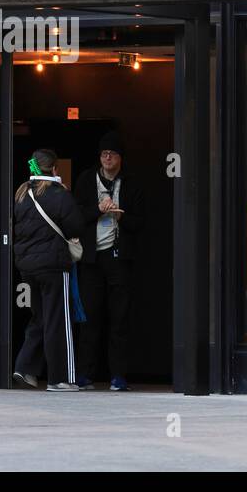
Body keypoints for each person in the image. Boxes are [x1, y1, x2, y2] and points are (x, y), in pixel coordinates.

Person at [11, 148, 86, 392]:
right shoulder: (58, 195)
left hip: (27, 267)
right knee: (58, 320)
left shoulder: (21, 194)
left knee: (40, 317)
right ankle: (60, 378)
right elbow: (76, 226)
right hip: (53, 266)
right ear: (54, 169)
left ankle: (25, 368)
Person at [74, 131, 143, 391]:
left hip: (119, 257)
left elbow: (141, 223)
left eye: (112, 154)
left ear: (120, 158)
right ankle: (85, 374)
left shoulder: (132, 183)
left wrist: (120, 217)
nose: (107, 158)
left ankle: (118, 375)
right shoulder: (85, 180)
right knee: (89, 317)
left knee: (119, 318)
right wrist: (98, 210)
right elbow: (76, 216)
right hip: (91, 259)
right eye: (104, 154)